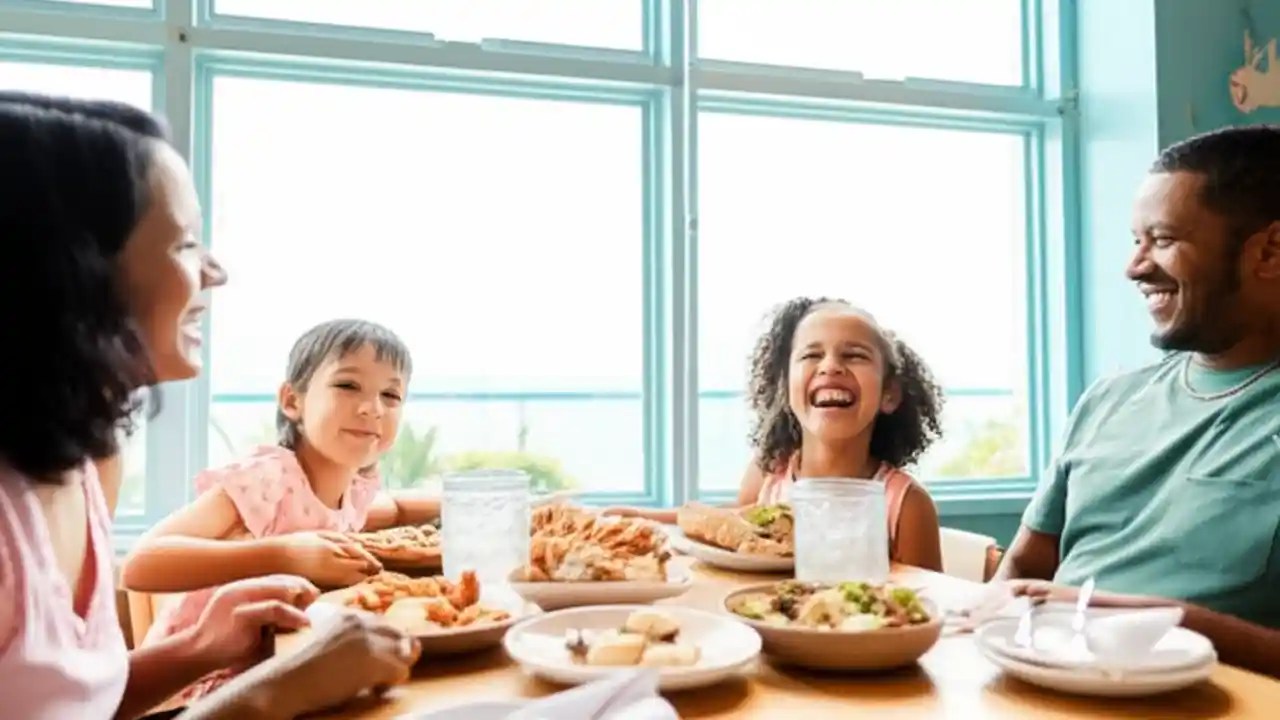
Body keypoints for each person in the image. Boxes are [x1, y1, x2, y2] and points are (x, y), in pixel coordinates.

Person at [0, 92, 419, 719]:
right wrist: (271, 691)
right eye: (184, 244)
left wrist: (197, 646)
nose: (215, 271)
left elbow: (72, 706)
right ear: (73, 270)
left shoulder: (88, 467)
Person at [994, 125, 1280, 678]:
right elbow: (1026, 563)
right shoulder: (1107, 400)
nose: (1136, 266)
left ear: (1269, 251)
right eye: (1136, 240)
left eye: (1165, 239)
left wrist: (1160, 620)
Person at [122, 318, 440, 703]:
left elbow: (400, 508)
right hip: (202, 688)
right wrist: (288, 553)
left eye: (391, 395)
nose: (372, 408)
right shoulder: (269, 477)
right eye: (347, 385)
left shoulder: (353, 492)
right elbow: (140, 563)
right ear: (292, 401)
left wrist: (507, 503)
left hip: (282, 667)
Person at [609, 298, 945, 571]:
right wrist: (641, 518)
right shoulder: (771, 471)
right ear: (786, 388)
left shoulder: (906, 505)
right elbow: (733, 522)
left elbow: (930, 611)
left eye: (854, 355)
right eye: (812, 355)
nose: (830, 366)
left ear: (890, 394)